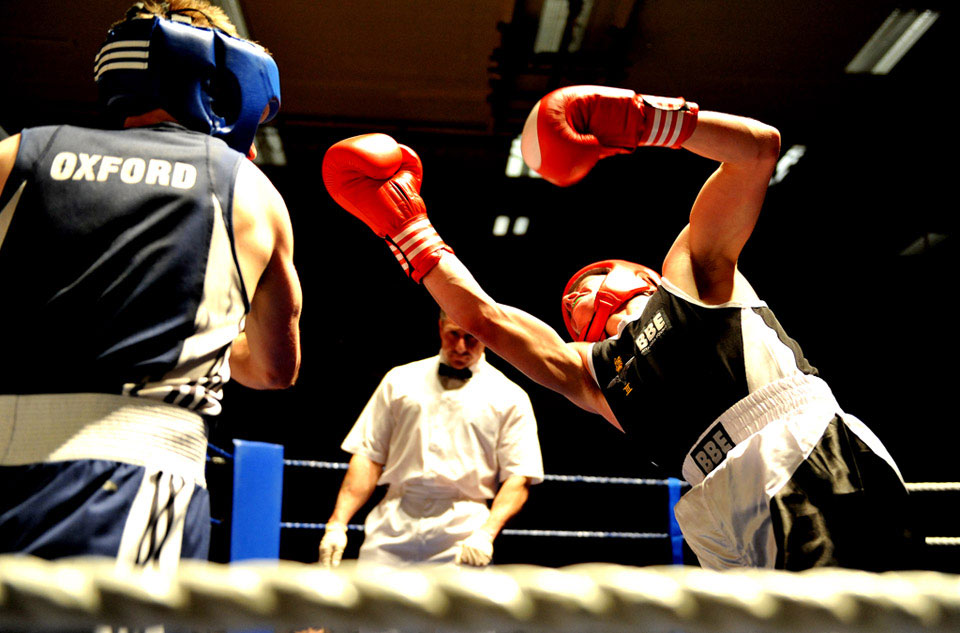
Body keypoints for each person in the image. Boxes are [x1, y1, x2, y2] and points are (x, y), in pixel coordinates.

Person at [322, 85, 918, 571]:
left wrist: (637, 120)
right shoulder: (592, 374)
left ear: (645, 278)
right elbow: (483, 317)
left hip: (800, 449)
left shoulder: (692, 276)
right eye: (574, 300)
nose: (585, 295)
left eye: (596, 280)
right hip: (714, 505)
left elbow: (758, 151)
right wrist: (407, 229)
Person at [0, 0, 302, 571]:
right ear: (219, 83)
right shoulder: (249, 190)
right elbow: (272, 370)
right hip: (133, 481)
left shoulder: (20, 153)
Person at [318, 311, 543, 567]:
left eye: (471, 338)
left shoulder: (510, 396)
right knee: (374, 605)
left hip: (464, 531)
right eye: (453, 335)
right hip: (392, 523)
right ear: (440, 328)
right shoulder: (399, 380)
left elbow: (519, 478)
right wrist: (337, 524)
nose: (460, 347)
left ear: (486, 337)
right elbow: (368, 457)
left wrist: (486, 534)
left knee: (458, 607)